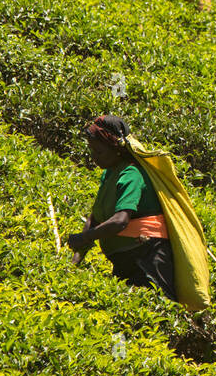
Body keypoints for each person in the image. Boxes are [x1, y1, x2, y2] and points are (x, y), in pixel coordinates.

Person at [67, 115, 177, 300]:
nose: (94, 157)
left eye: (99, 152)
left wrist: (84, 237)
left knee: (154, 307)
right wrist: (73, 264)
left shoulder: (131, 173)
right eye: (92, 150)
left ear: (116, 150)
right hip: (125, 260)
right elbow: (95, 219)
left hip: (147, 258)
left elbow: (120, 221)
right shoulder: (110, 173)